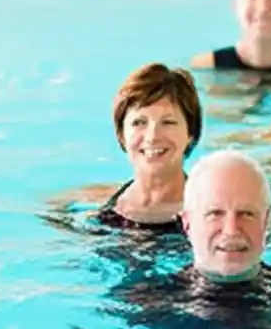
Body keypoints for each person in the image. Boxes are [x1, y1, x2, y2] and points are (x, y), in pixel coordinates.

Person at [98, 151, 271, 329]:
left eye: (246, 214)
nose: (231, 230)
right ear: (187, 224)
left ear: (265, 222)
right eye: (215, 213)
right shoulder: (145, 303)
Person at [61, 63, 202, 234]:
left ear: (190, 134)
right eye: (139, 123)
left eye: (168, 122)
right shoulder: (102, 202)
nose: (152, 136)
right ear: (122, 135)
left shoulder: (210, 210)